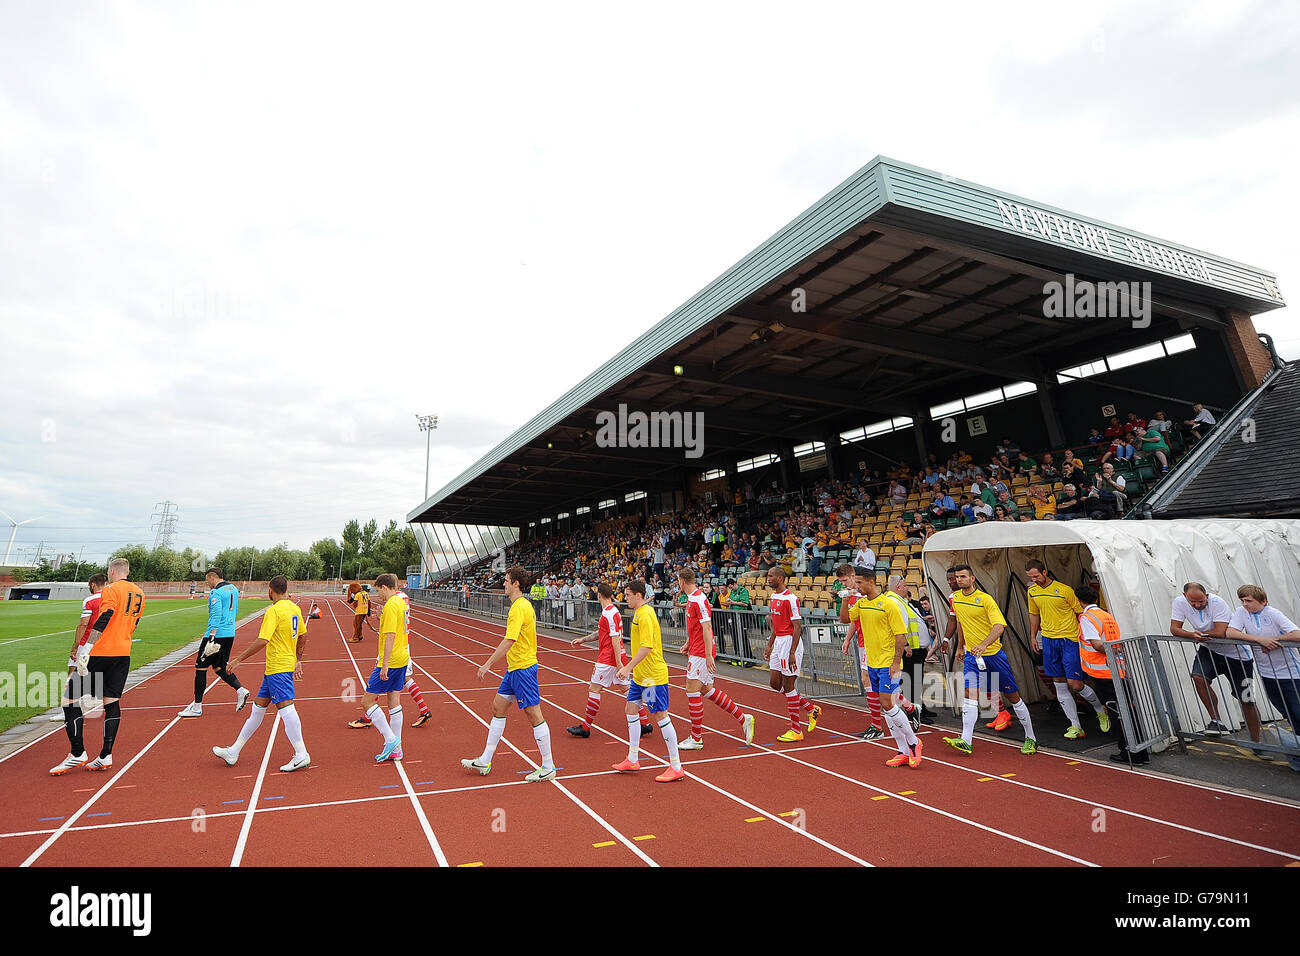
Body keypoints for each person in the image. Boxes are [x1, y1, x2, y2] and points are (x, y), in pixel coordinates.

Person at [51, 558, 146, 775]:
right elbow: (136, 623)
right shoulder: (139, 592)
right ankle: (105, 755)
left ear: (112, 571)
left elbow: (106, 615)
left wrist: (87, 648)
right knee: (111, 702)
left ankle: (77, 753)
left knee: (69, 698)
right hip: (123, 653)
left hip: (102, 651)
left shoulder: (111, 589)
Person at [461, 567, 557, 782]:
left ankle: (548, 765)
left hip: (523, 668)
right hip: (514, 668)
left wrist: (487, 664)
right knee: (498, 706)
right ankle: (485, 760)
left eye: (506, 581)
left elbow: (509, 640)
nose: (503, 584)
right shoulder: (522, 605)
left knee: (534, 714)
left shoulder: (518, 608)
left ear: (515, 583)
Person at [211, 576, 311, 773]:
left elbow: (262, 640)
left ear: (270, 590)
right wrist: (298, 659)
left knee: (286, 708)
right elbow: (303, 635)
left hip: (278, 667)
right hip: (277, 667)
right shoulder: (294, 608)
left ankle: (301, 753)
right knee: (258, 709)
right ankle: (234, 751)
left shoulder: (273, 611)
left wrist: (238, 659)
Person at [943, 565, 1038, 756]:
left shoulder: (985, 600)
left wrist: (985, 644)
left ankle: (1031, 738)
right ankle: (966, 740)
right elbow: (961, 623)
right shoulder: (957, 599)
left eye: (963, 576)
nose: (959, 580)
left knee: (1012, 696)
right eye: (957, 577)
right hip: (972, 655)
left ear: (973, 579)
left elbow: (999, 626)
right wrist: (961, 646)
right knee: (970, 693)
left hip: (993, 655)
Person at [611, 580, 687, 782]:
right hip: (641, 677)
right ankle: (633, 758)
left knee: (660, 715)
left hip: (652, 677)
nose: (624, 598)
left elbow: (646, 647)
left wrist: (627, 667)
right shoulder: (640, 613)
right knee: (630, 709)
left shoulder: (644, 615)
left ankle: (676, 765)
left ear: (638, 595)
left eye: (627, 595)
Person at [1025, 559, 1109, 739]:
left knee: (1075, 684)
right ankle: (1075, 725)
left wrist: (1085, 637)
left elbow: (1082, 613)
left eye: (1036, 576)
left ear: (1045, 572)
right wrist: (1033, 636)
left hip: (1069, 640)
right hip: (1048, 640)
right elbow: (1034, 613)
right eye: (1030, 577)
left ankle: (1100, 710)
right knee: (1059, 683)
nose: (1034, 580)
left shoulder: (1064, 591)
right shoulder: (1032, 591)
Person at [674, 569, 756, 750]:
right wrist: (688, 642)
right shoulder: (692, 599)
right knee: (706, 689)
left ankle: (696, 738)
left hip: (701, 652)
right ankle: (744, 719)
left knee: (691, 690)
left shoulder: (698, 599)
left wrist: (709, 654)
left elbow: (707, 627)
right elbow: (696, 627)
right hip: (696, 649)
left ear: (682, 581)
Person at [850, 569, 922, 768]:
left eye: (859, 582)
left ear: (871, 582)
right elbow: (846, 619)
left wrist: (895, 662)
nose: (857, 586)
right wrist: (846, 598)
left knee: (887, 703)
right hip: (872, 662)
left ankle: (914, 743)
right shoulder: (862, 603)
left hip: (888, 663)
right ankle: (903, 750)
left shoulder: (889, 604)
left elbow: (900, 635)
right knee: (888, 706)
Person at [1226, 585, 1300, 772]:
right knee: (1286, 711)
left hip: (1290, 673)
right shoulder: (1241, 613)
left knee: (1297, 711)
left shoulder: (1273, 613)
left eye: (1249, 601)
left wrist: (1275, 641)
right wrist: (1260, 640)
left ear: (1263, 601)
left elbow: (1296, 633)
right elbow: (1230, 632)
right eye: (1242, 600)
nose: (1245, 604)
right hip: (1268, 673)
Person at [1171, 582, 1259, 739]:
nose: (1198, 605)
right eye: (1193, 602)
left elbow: (1221, 631)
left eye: (1201, 601)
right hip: (1210, 649)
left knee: (1247, 699)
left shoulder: (1217, 602)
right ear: (1185, 597)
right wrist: (1192, 635)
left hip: (1238, 656)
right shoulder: (1179, 602)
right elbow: (1174, 629)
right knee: (1198, 677)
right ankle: (1216, 721)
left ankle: (1258, 742)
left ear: (1207, 596)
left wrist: (1198, 635)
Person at [566, 582, 653, 738]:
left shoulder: (608, 613)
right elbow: (603, 633)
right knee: (627, 689)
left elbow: (614, 638)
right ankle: (645, 723)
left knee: (595, 689)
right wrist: (583, 640)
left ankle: (585, 727)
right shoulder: (613, 611)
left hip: (608, 658)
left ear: (599, 595)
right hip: (616, 655)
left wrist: (619, 663)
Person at [1075, 585, 1146, 764]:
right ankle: (1141, 751)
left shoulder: (1087, 618)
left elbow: (1097, 644)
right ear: (1096, 599)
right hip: (1118, 667)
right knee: (1130, 708)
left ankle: (1128, 751)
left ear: (1080, 601)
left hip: (1103, 671)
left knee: (1117, 711)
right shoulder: (1107, 615)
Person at [357, 574, 413, 762]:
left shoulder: (390, 606)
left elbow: (389, 635)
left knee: (367, 701)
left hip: (392, 660)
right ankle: (397, 748)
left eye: (377, 589)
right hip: (403, 656)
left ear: (384, 587)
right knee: (394, 700)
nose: (377, 594)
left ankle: (391, 740)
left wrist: (385, 664)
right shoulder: (400, 602)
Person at [179, 567, 250, 718]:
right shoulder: (234, 589)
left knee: (201, 667)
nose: (207, 583)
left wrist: (211, 637)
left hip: (216, 634)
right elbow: (235, 611)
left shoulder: (216, 593)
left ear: (213, 577)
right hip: (230, 633)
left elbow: (216, 615)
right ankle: (240, 690)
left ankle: (197, 707)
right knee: (219, 666)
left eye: (207, 580)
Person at [764, 566, 820, 742]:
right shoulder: (773, 596)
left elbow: (797, 627)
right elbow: (774, 623)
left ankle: (796, 730)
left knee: (789, 685)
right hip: (779, 641)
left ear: (780, 578)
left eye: (771, 576)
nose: (768, 578)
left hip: (789, 642)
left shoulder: (791, 599)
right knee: (775, 683)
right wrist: (770, 644)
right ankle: (810, 709)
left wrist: (792, 652)